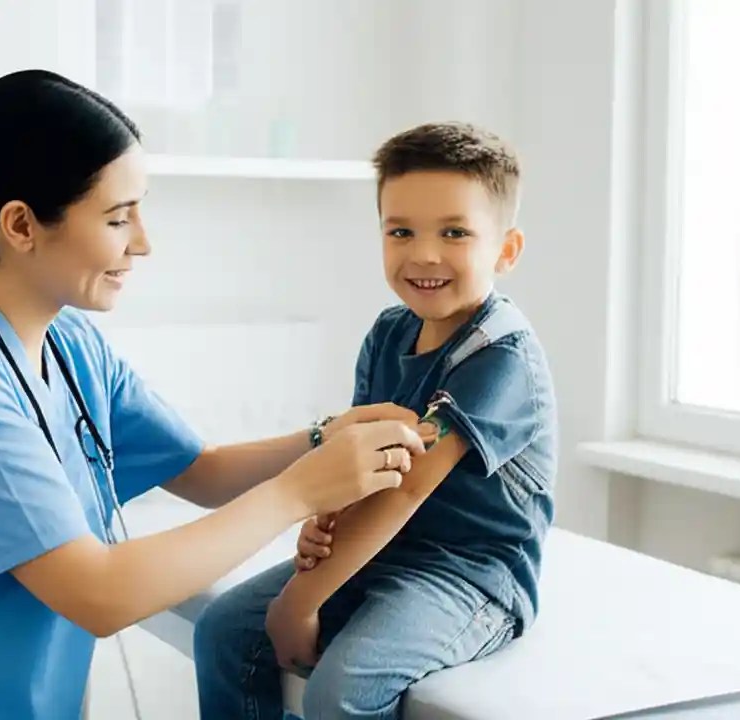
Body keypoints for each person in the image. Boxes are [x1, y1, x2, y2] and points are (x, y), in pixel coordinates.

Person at [0, 69, 431, 720]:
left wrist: (327, 438)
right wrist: (301, 491)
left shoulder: (69, 343)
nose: (143, 243)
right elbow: (99, 594)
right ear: (21, 224)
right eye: (119, 218)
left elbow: (200, 471)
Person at [193, 121, 559, 719]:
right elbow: (357, 458)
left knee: (341, 692)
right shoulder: (390, 332)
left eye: (455, 232)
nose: (424, 253)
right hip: (385, 550)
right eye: (401, 231)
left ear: (506, 250)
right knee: (222, 634)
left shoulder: (502, 358)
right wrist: (325, 521)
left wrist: (300, 601)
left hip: (470, 577)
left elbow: (410, 483)